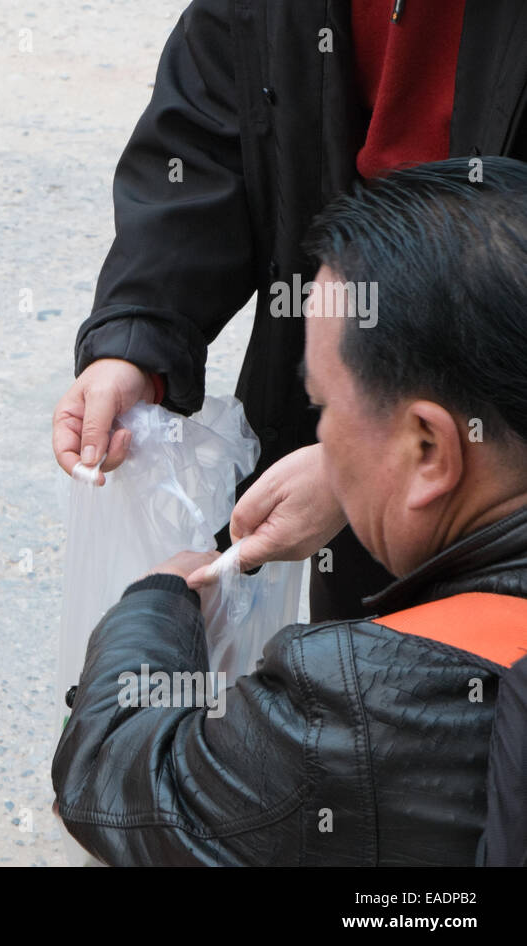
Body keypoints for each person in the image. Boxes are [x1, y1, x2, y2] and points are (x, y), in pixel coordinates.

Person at [52, 157, 527, 865]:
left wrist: (153, 607)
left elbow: (114, 777)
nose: (321, 442)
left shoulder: (368, 703)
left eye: (324, 408)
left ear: (428, 447)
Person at [51, 0, 527, 622]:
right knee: (366, 680)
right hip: (366, 460)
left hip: (501, 464)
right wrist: (136, 338)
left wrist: (358, 465)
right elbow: (207, 134)